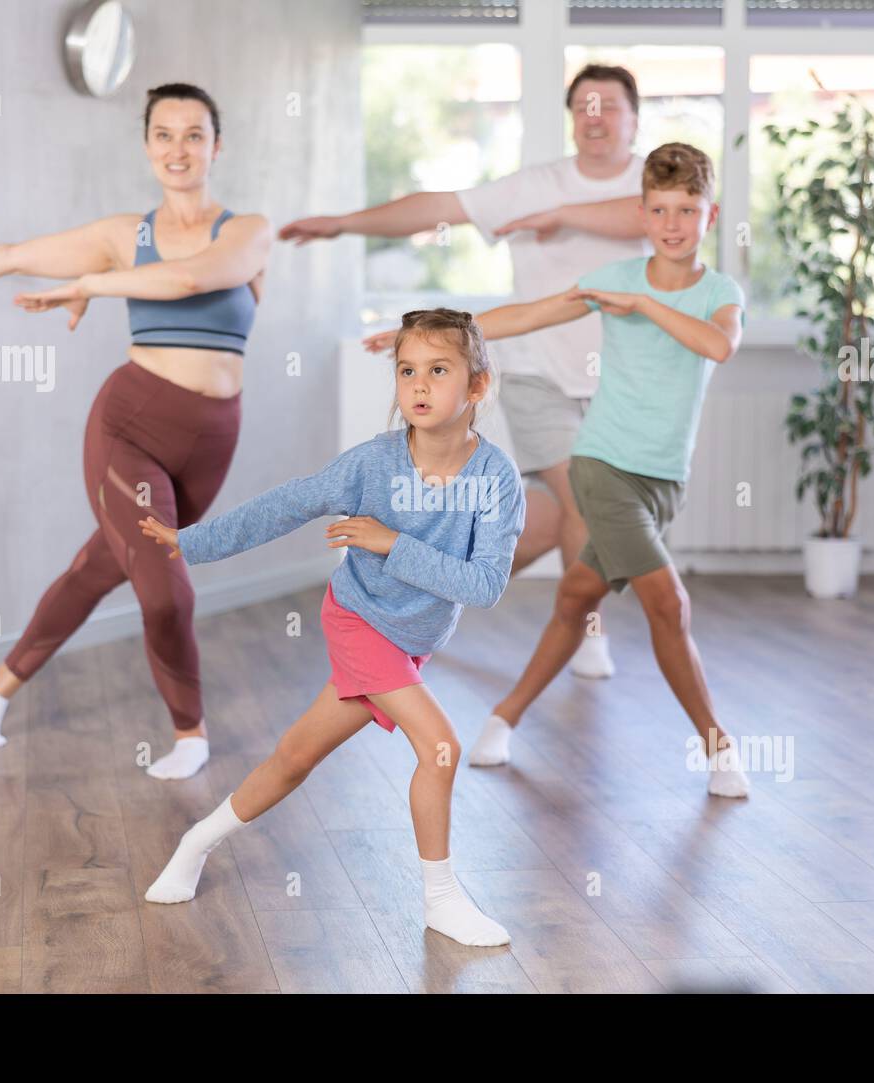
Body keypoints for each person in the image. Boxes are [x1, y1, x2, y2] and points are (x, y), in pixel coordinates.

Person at [0, 83, 271, 780]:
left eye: (193, 134)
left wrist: (91, 286)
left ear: (216, 146)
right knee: (167, 590)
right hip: (131, 425)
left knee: (96, 569)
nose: (178, 148)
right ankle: (190, 733)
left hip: (213, 437)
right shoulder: (120, 236)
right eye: (163, 134)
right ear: (146, 147)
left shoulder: (248, 231)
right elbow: (13, 253)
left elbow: (192, 280)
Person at [139, 308, 525, 947]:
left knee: (295, 757)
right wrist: (195, 542)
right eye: (407, 371)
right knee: (440, 747)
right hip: (358, 619)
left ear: (477, 386)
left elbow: (484, 586)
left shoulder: (495, 479)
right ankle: (441, 899)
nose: (420, 386)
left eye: (438, 370)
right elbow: (290, 502)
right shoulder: (372, 463)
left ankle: (195, 842)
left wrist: (389, 541)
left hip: (411, 639)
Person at [281, 64, 656, 680]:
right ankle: (588, 632)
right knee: (583, 503)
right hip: (542, 377)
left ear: (634, 118)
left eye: (610, 106)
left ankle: (418, 594)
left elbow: (656, 215)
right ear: (570, 118)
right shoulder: (534, 183)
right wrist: (347, 223)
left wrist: (561, 216)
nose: (596, 117)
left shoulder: (652, 184)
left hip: (623, 386)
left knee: (552, 522)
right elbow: (437, 208)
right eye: (584, 106)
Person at [450, 143, 752, 796]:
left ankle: (502, 718)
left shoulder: (720, 293)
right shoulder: (617, 277)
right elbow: (531, 314)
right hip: (603, 465)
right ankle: (719, 749)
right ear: (642, 214)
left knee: (574, 600)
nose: (673, 224)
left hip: (662, 480)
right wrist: (444, 331)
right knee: (669, 605)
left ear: (711, 214)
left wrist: (644, 306)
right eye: (660, 210)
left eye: (688, 210)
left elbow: (719, 345)